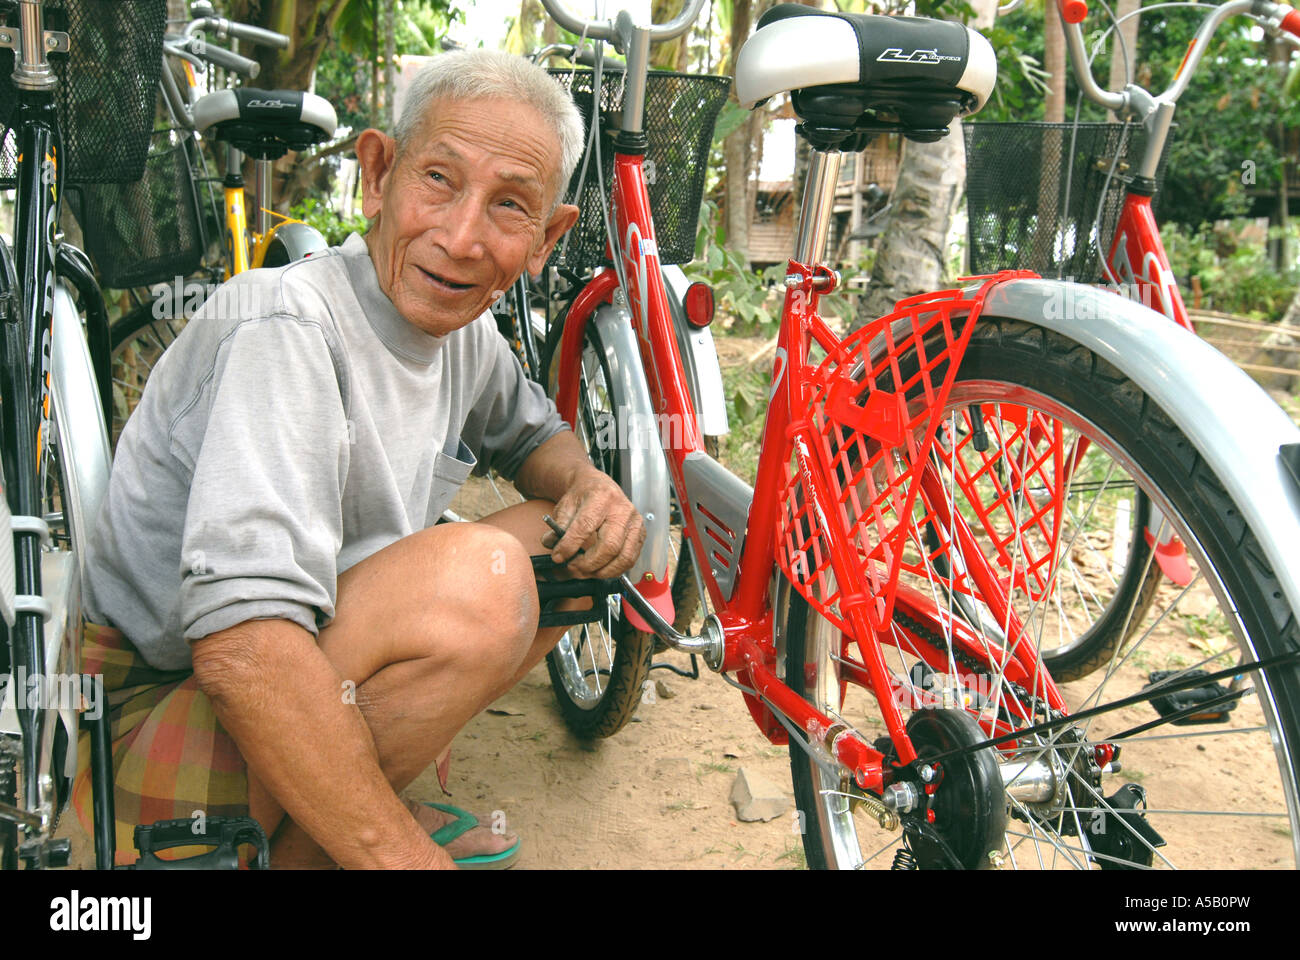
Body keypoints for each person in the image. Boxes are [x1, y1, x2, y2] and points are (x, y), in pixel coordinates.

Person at [70, 49, 646, 869]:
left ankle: (334, 820)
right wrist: (403, 859)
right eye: (439, 180)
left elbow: (530, 438)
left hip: (278, 681)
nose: (461, 236)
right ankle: (331, 844)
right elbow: (241, 647)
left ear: (547, 238)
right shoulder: (290, 328)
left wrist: (589, 484)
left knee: (573, 544)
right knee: (484, 583)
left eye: (509, 206)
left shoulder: (461, 331)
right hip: (153, 723)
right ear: (378, 175)